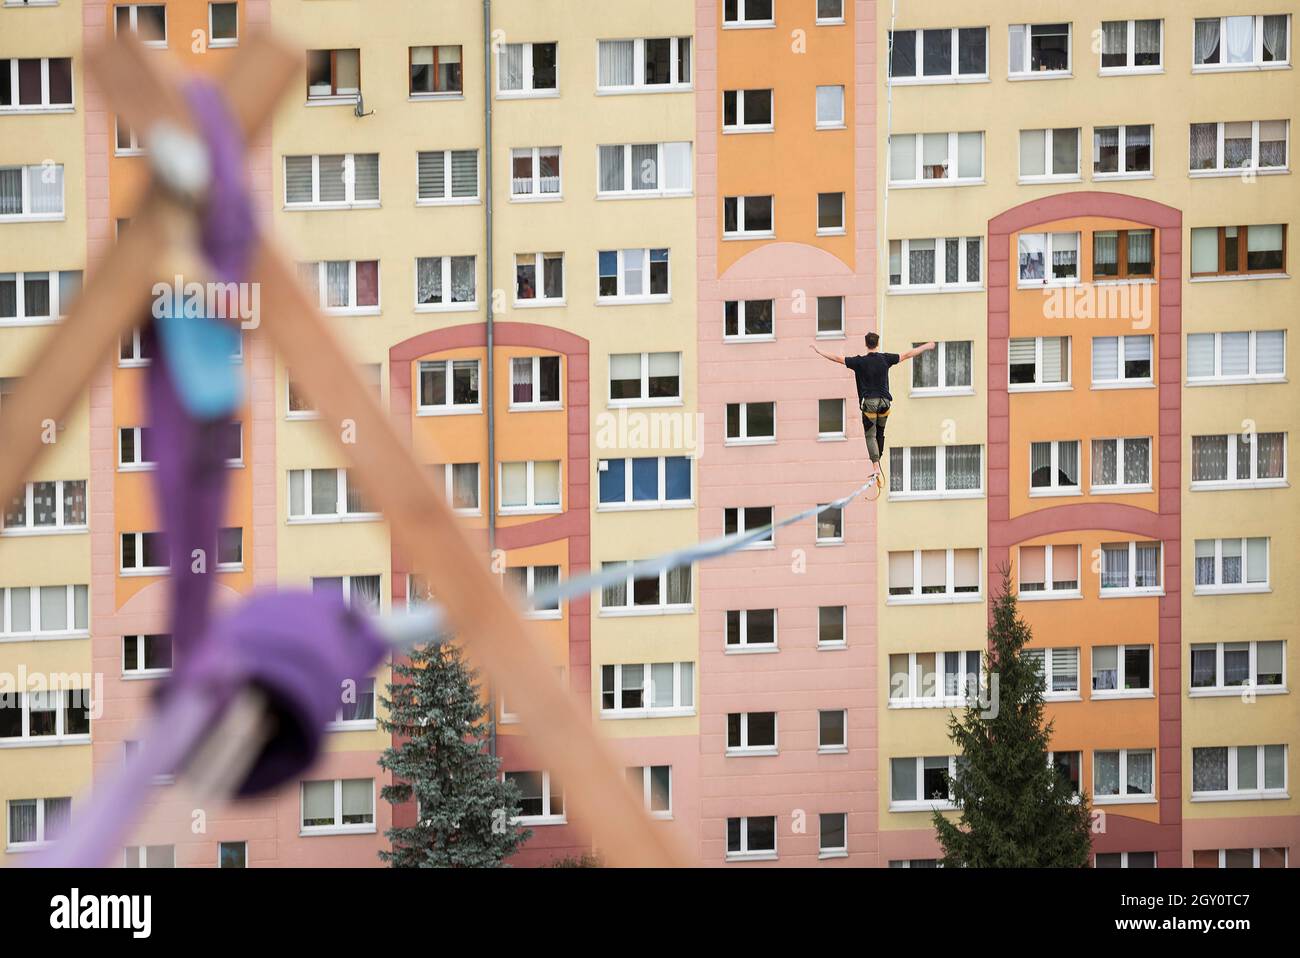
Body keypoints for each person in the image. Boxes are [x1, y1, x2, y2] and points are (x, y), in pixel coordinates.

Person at [811, 333, 936, 485]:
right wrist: (926, 346)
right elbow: (908, 354)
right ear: (877, 343)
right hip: (884, 403)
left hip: (870, 403)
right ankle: (879, 461)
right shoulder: (885, 359)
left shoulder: (859, 362)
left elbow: (837, 358)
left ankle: (876, 466)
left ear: (866, 343)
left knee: (870, 435)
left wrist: (819, 351)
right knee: (880, 432)